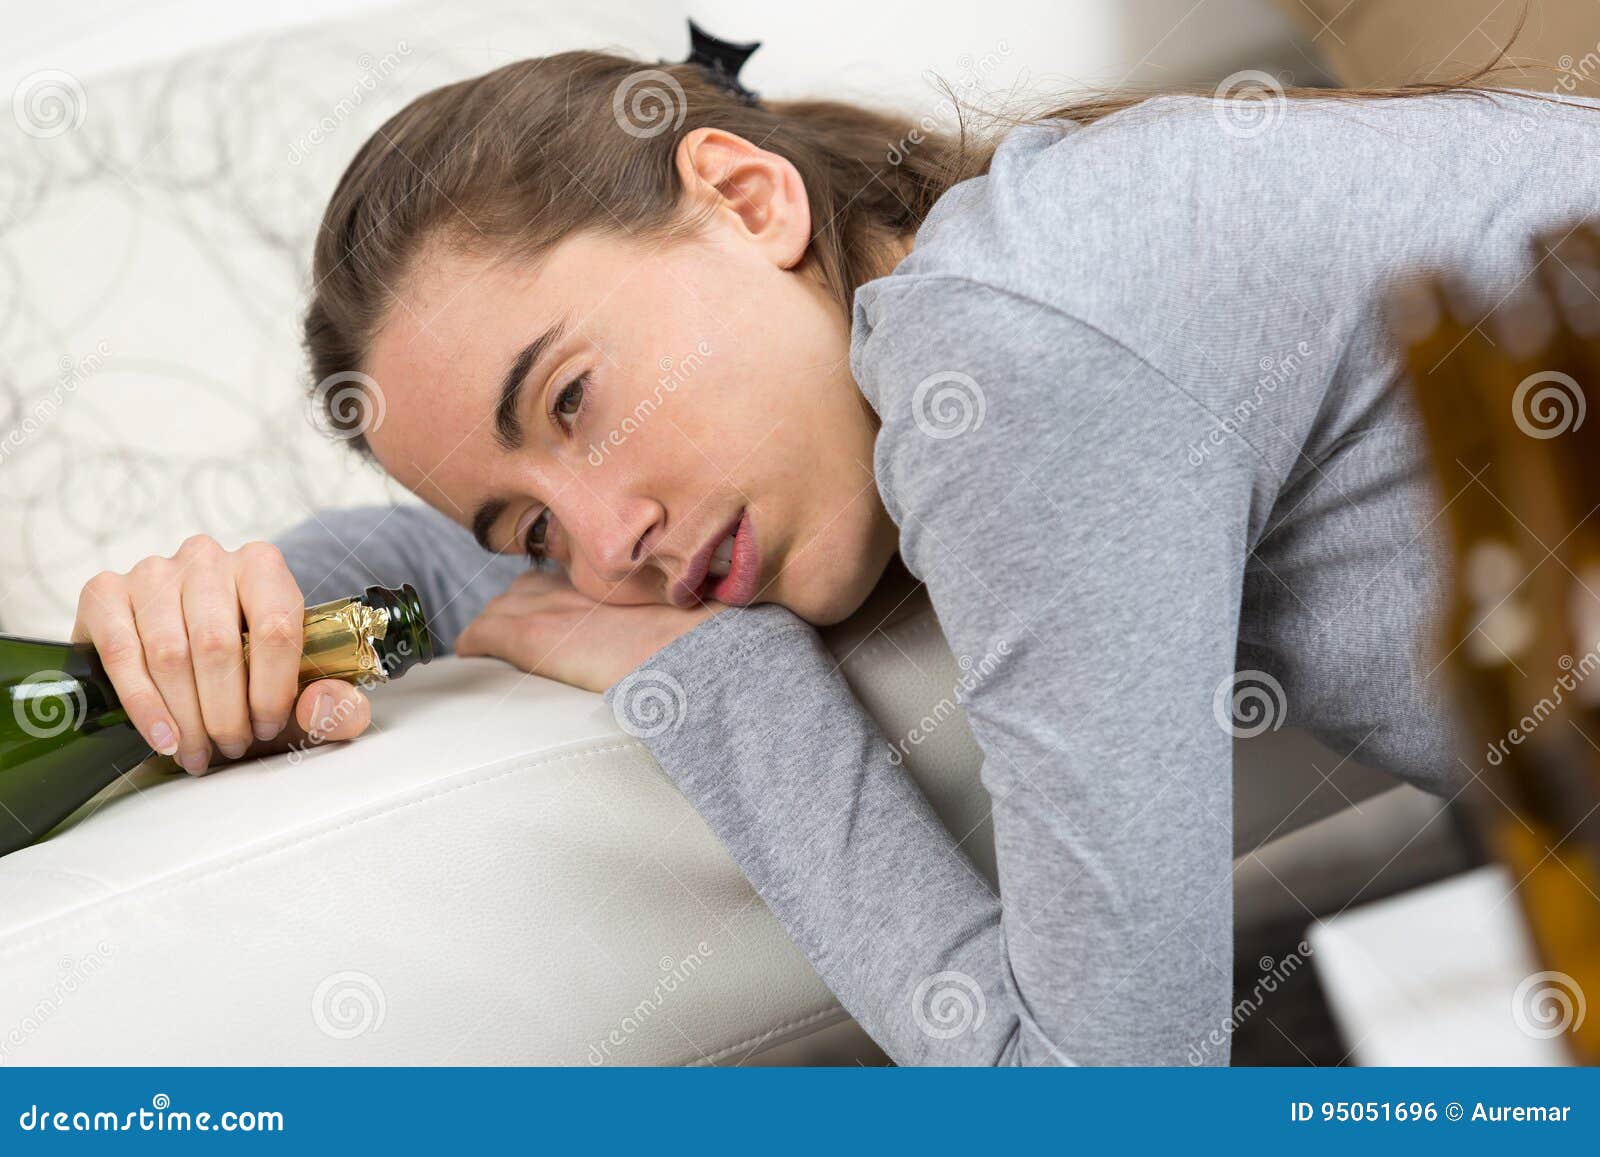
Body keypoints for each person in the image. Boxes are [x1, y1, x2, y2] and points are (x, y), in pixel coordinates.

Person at [69, 28, 1600, 1063]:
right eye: (531, 523)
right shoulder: (1012, 273)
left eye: (580, 399)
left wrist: (708, 675)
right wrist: (236, 614)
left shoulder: (1002, 356)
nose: (611, 549)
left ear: (745, 200)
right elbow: (432, 570)